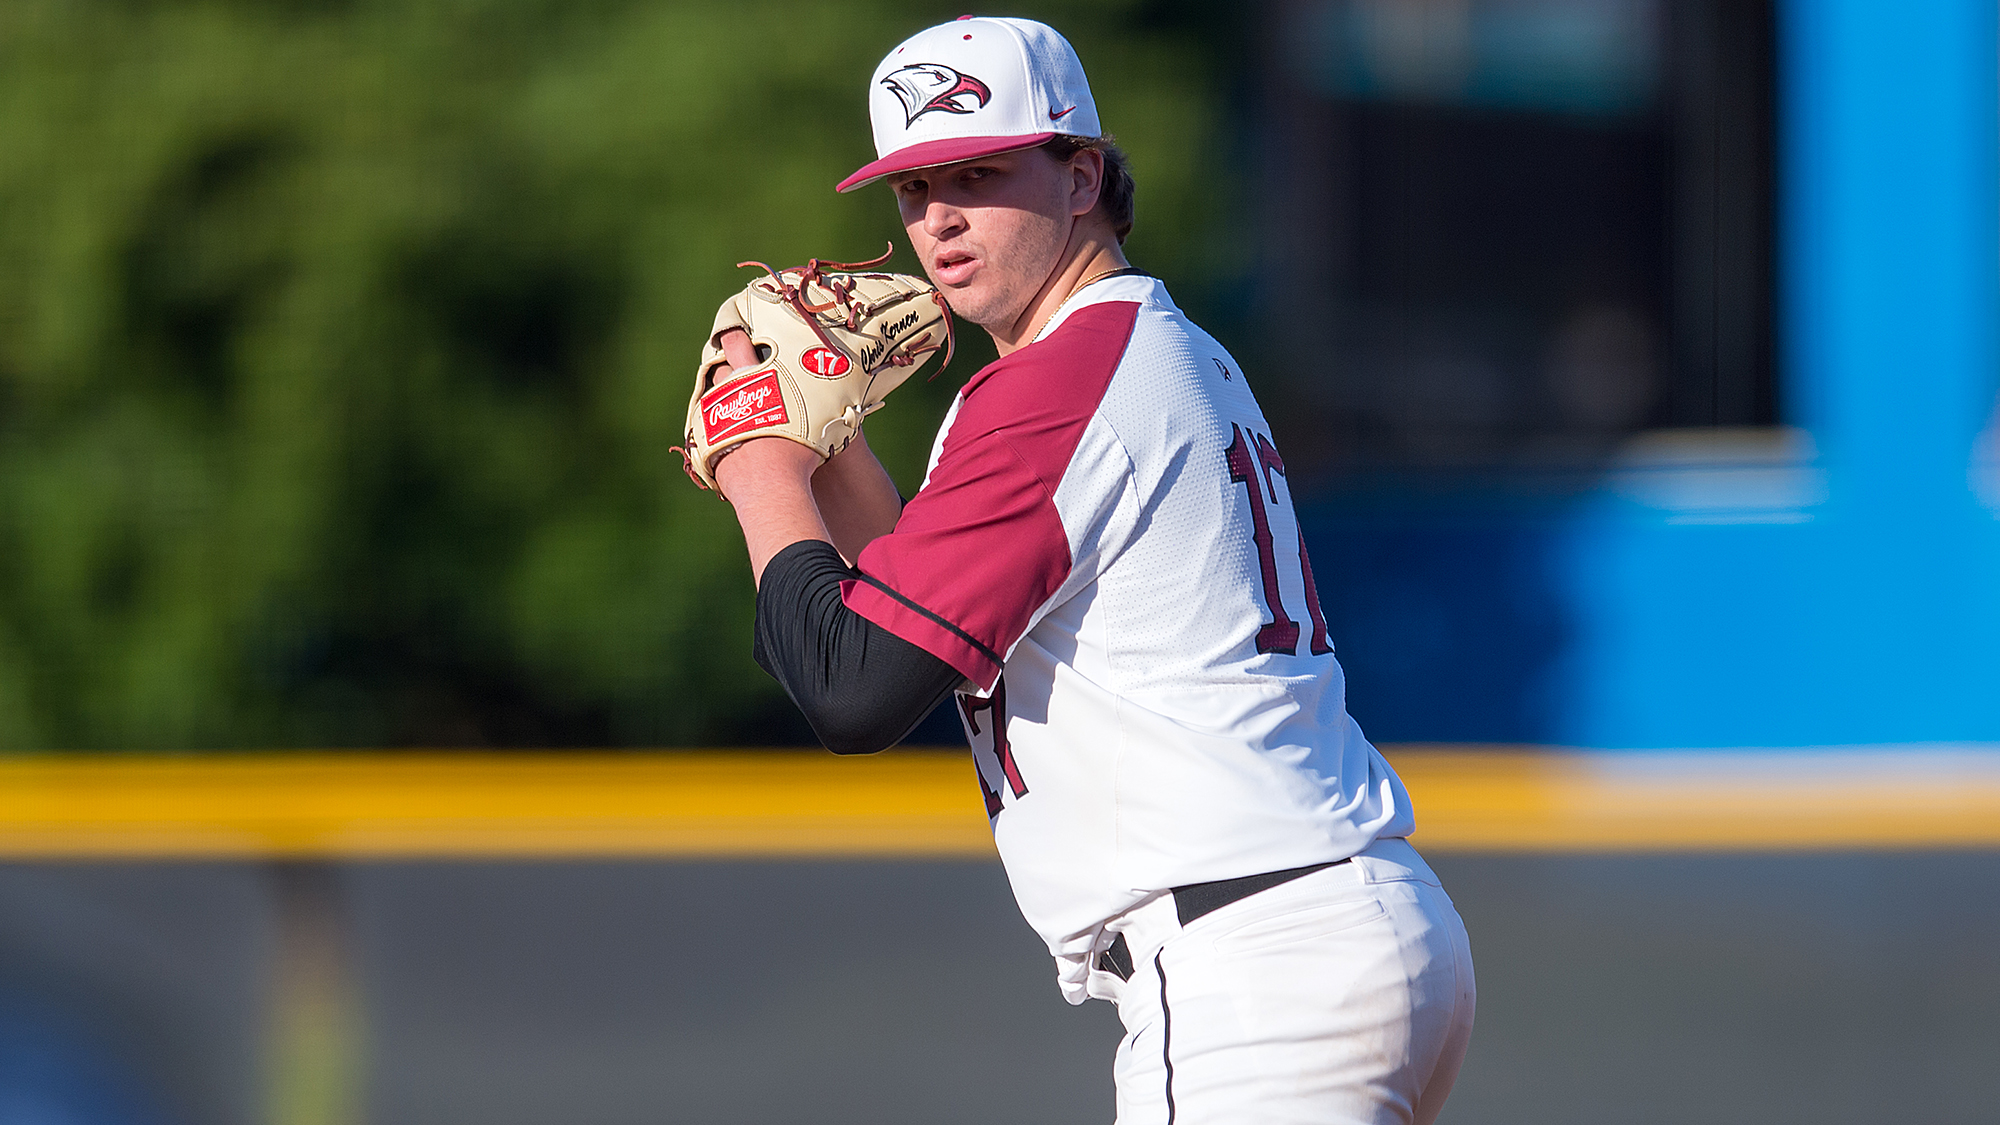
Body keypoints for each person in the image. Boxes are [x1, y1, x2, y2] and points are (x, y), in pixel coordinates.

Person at [707, 16, 1475, 1124]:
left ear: (1080, 179)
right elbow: (907, 608)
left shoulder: (1057, 386)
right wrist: (828, 452)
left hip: (1252, 972)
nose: (938, 218)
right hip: (1334, 928)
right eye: (914, 188)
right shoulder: (1141, 349)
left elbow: (851, 688)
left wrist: (756, 462)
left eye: (977, 174)